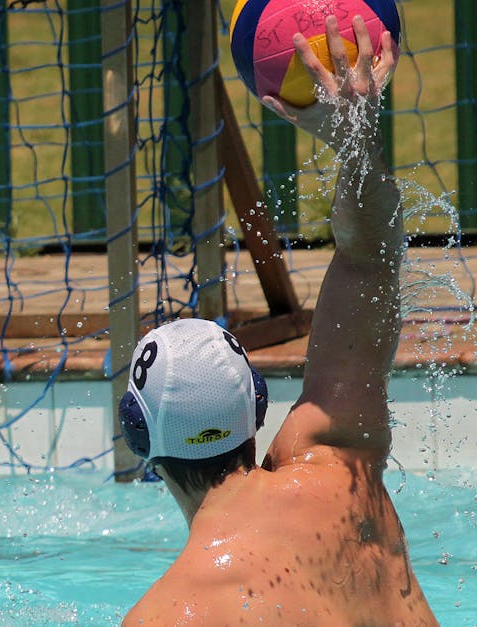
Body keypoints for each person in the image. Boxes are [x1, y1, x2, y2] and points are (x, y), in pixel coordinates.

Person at [119, 15, 436, 625]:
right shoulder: (338, 468)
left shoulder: (168, 614)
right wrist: (355, 141)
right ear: (257, 407)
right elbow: (370, 260)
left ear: (138, 436)